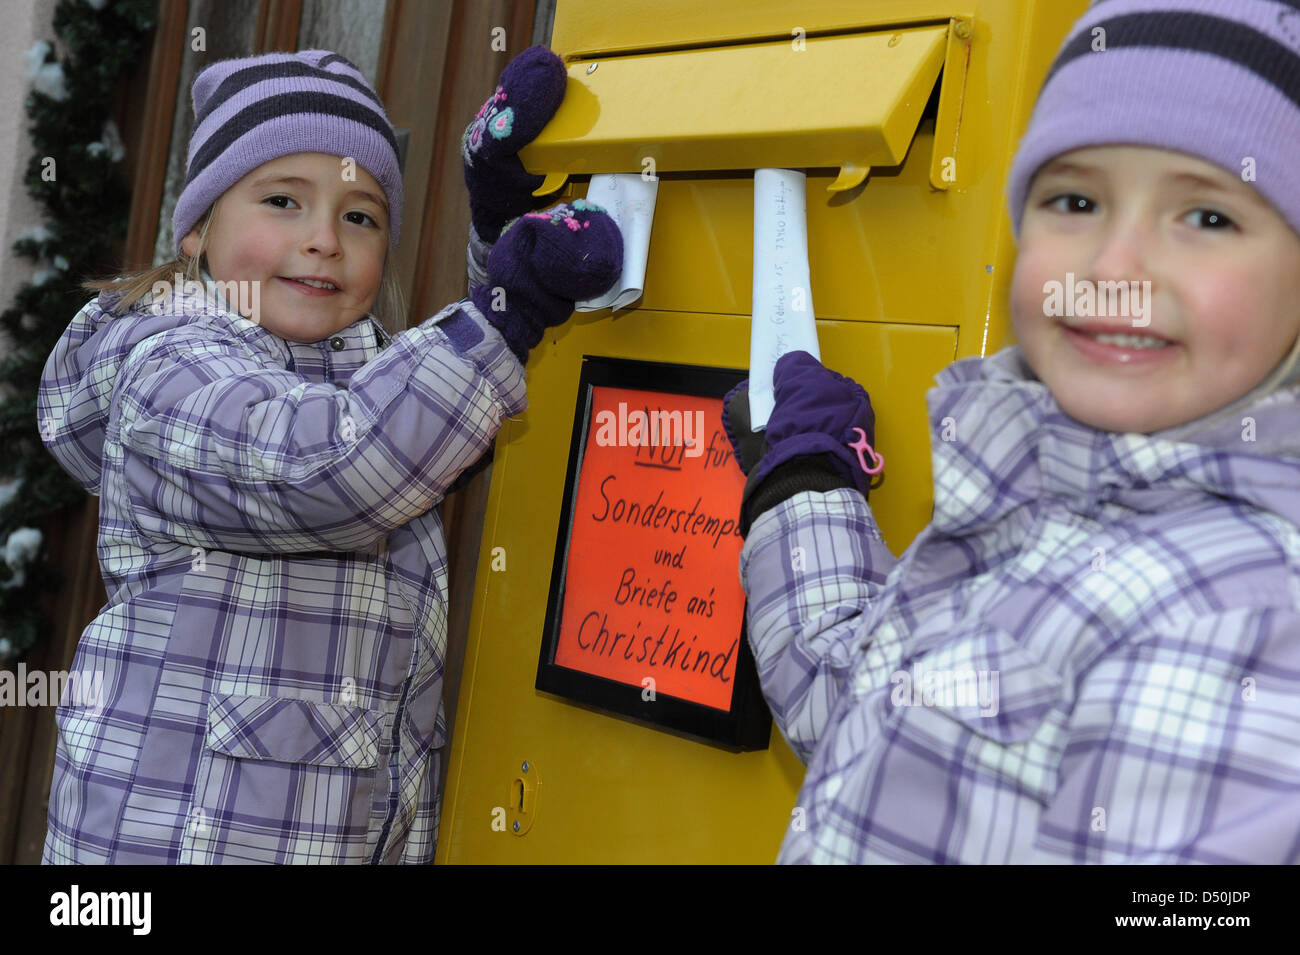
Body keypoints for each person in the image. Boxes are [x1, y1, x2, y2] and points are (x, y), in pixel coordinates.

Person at [723, 0, 1300, 863]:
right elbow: (860, 715)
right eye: (1075, 200)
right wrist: (803, 485)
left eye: (1207, 217)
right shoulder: (1038, 505)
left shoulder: (1248, 625)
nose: (1114, 268)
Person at [37, 46, 622, 864]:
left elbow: (438, 427)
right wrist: (503, 311)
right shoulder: (165, 368)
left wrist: (501, 226)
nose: (323, 239)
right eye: (283, 200)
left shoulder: (362, 369)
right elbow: (335, 467)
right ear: (199, 229)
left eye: (361, 216)